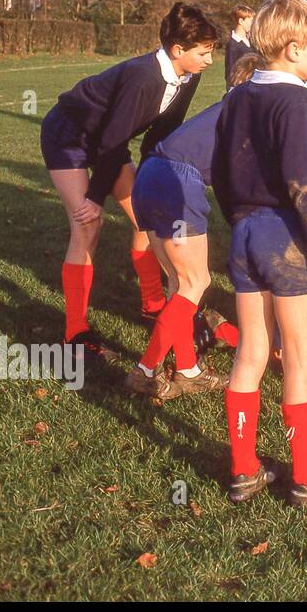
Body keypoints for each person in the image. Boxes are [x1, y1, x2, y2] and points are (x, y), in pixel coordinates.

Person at [212, 0, 307, 507]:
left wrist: (241, 223)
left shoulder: (238, 96)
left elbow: (222, 174)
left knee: (251, 352)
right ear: (293, 49)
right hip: (290, 237)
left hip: (245, 233)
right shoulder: (296, 100)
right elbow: (306, 184)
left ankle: (245, 471)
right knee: (300, 359)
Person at [40, 2, 219, 357]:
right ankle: (74, 333)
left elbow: (161, 134)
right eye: (204, 53)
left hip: (107, 139)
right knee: (89, 226)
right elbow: (111, 143)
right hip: (69, 134)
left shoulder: (189, 74)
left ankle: (153, 303)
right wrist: (94, 197)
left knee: (149, 218)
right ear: (178, 50)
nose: (209, 61)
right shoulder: (143, 77)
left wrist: (157, 177)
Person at [123, 54, 260, 399]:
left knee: (179, 284)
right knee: (196, 281)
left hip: (151, 175)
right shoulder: (246, 116)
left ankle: (187, 369)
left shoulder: (224, 111)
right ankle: (145, 370)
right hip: (176, 182)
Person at [224, 3, 255, 90]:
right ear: (241, 21)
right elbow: (230, 71)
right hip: (240, 88)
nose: (252, 24)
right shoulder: (233, 44)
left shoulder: (250, 41)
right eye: (251, 21)